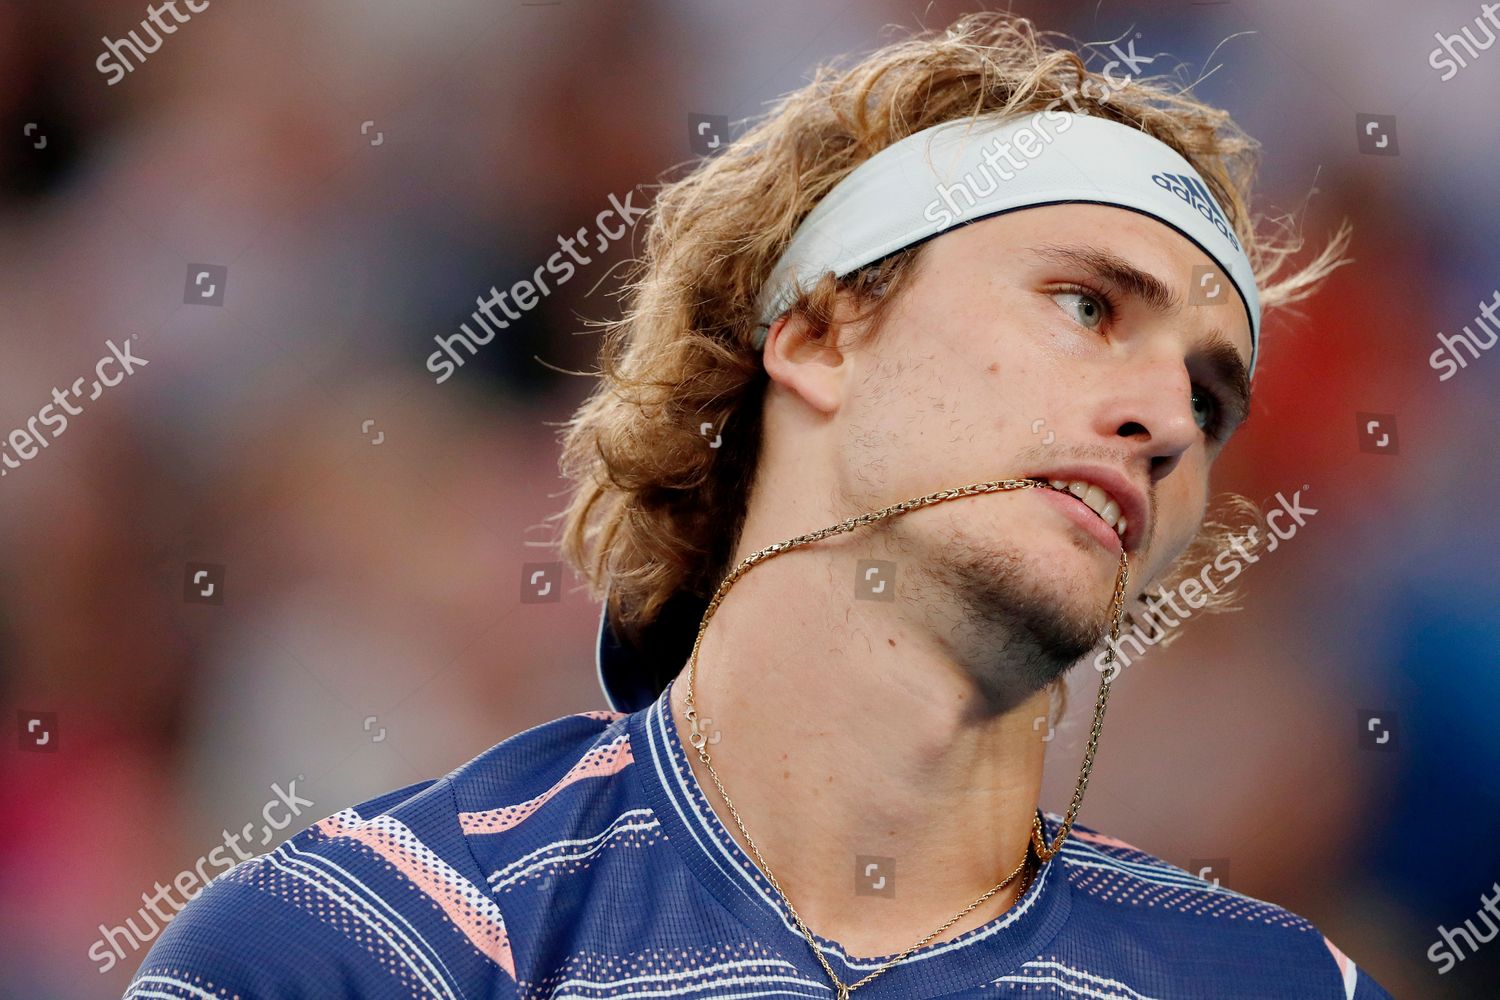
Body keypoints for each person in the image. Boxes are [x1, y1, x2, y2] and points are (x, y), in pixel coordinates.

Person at [127, 13, 1387, 999]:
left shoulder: (1281, 986)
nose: (1167, 422)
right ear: (824, 331)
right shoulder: (362, 946)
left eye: (1210, 399)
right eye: (1086, 306)